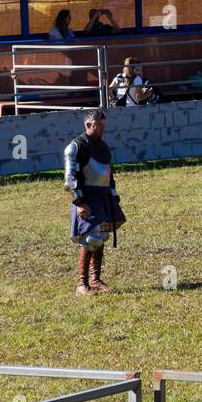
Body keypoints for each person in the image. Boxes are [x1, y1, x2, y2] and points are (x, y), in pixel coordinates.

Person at [64, 109, 125, 295]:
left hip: (103, 198)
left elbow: (109, 175)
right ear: (88, 125)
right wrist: (80, 202)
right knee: (90, 239)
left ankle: (95, 280)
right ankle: (82, 285)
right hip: (87, 198)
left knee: (101, 237)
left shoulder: (104, 147)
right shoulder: (76, 147)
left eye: (103, 126)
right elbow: (70, 179)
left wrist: (114, 198)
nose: (102, 129)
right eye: (99, 126)